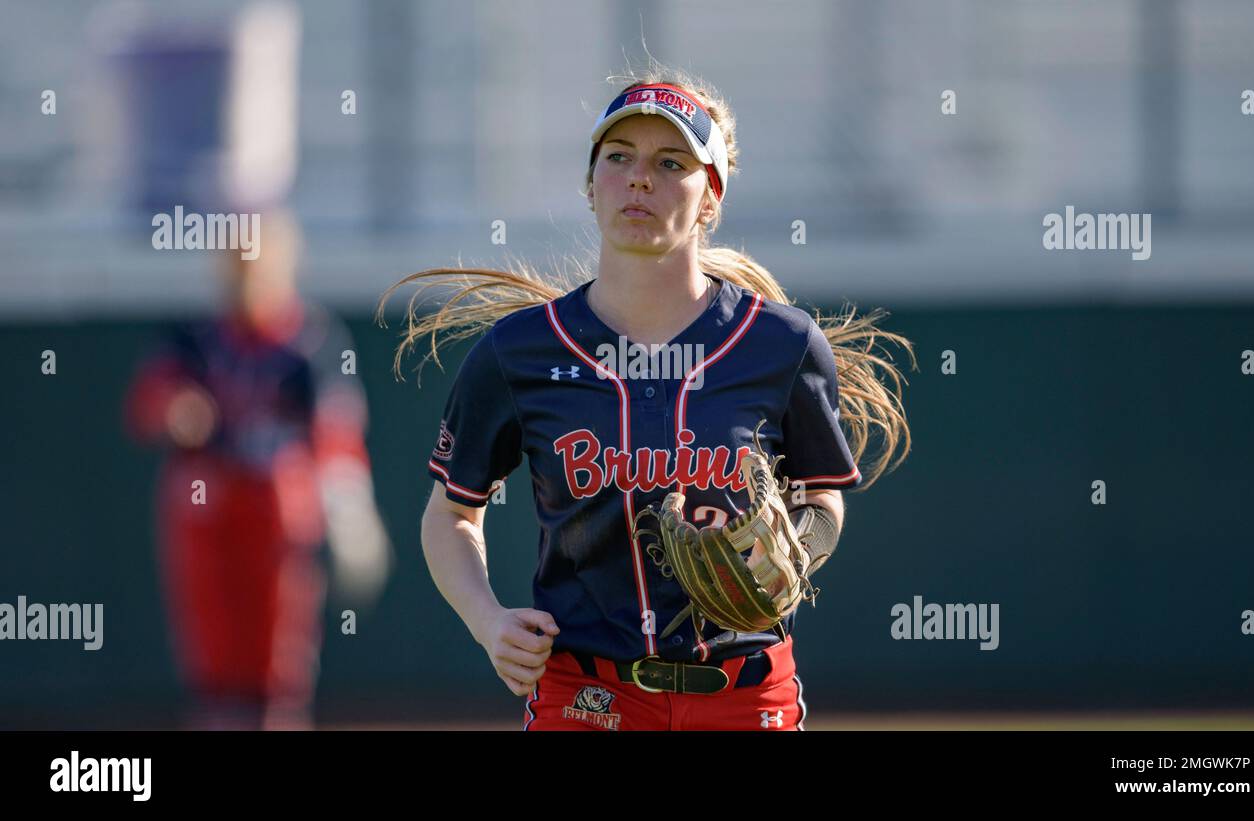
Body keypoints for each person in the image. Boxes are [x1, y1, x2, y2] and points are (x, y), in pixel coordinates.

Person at [381, 64, 914, 731]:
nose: (640, 178)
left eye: (671, 162)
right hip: (588, 695)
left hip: (744, 691)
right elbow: (450, 515)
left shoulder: (780, 346)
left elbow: (823, 498)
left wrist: (796, 549)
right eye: (619, 157)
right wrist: (489, 621)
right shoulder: (521, 353)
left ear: (711, 197)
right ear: (590, 186)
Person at [125, 210, 391, 729]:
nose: (246, 276)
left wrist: (349, 508)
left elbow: (337, 434)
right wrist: (174, 409)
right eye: (235, 264)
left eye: (257, 263)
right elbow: (146, 403)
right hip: (209, 511)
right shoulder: (195, 339)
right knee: (214, 646)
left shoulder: (309, 342)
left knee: (278, 650)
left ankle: (275, 716)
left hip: (276, 516)